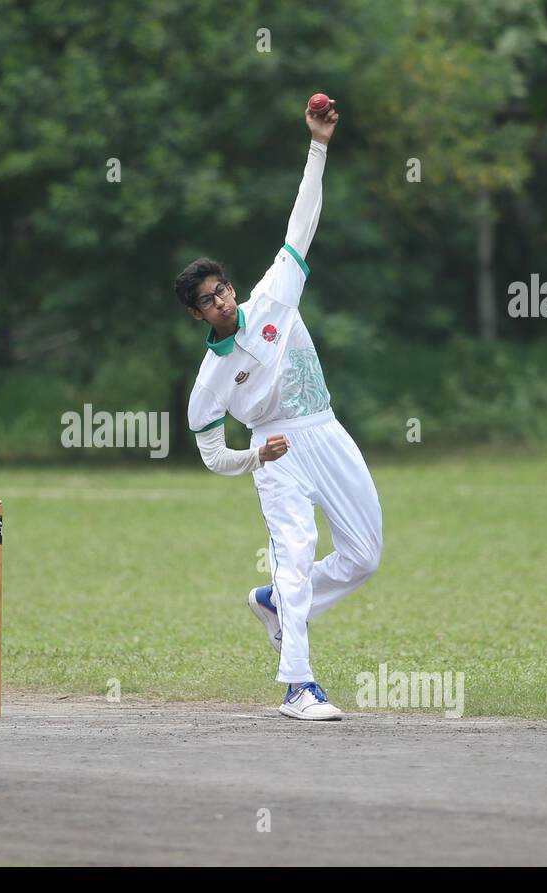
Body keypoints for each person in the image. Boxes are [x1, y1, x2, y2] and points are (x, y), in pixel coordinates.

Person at [175, 100, 382, 721]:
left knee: (365, 555)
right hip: (276, 451)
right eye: (207, 302)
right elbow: (212, 455)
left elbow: (302, 224)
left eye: (222, 290)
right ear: (196, 315)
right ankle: (298, 684)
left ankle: (274, 603)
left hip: (325, 427)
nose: (221, 304)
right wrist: (252, 457)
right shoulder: (209, 382)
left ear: (232, 287)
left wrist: (318, 145)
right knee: (295, 551)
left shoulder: (273, 296)